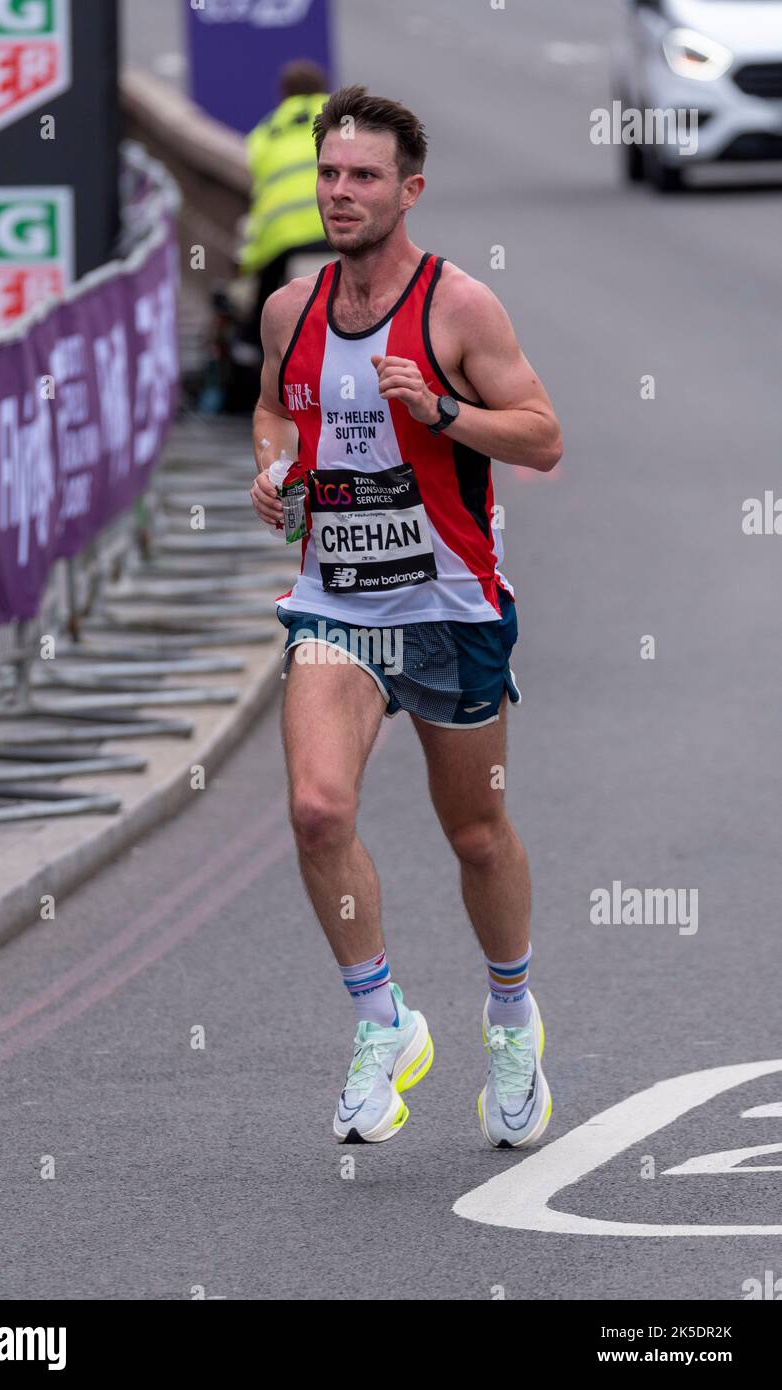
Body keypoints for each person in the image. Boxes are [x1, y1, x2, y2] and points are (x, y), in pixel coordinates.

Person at [249, 85, 563, 1149]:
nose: (341, 193)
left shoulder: (458, 307)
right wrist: (274, 468)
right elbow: (270, 407)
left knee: (475, 833)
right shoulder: (289, 309)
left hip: (450, 605)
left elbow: (542, 437)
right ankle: (383, 1020)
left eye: (364, 176)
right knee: (316, 811)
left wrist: (440, 410)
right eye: (330, 174)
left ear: (409, 190)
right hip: (335, 603)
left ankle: (512, 1018)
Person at [238, 60, 331, 354]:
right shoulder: (344, 117)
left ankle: (256, 351)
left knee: (264, 301)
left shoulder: (264, 134)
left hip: (284, 238)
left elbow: (260, 196)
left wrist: (248, 260)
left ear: (282, 95)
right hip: (338, 227)